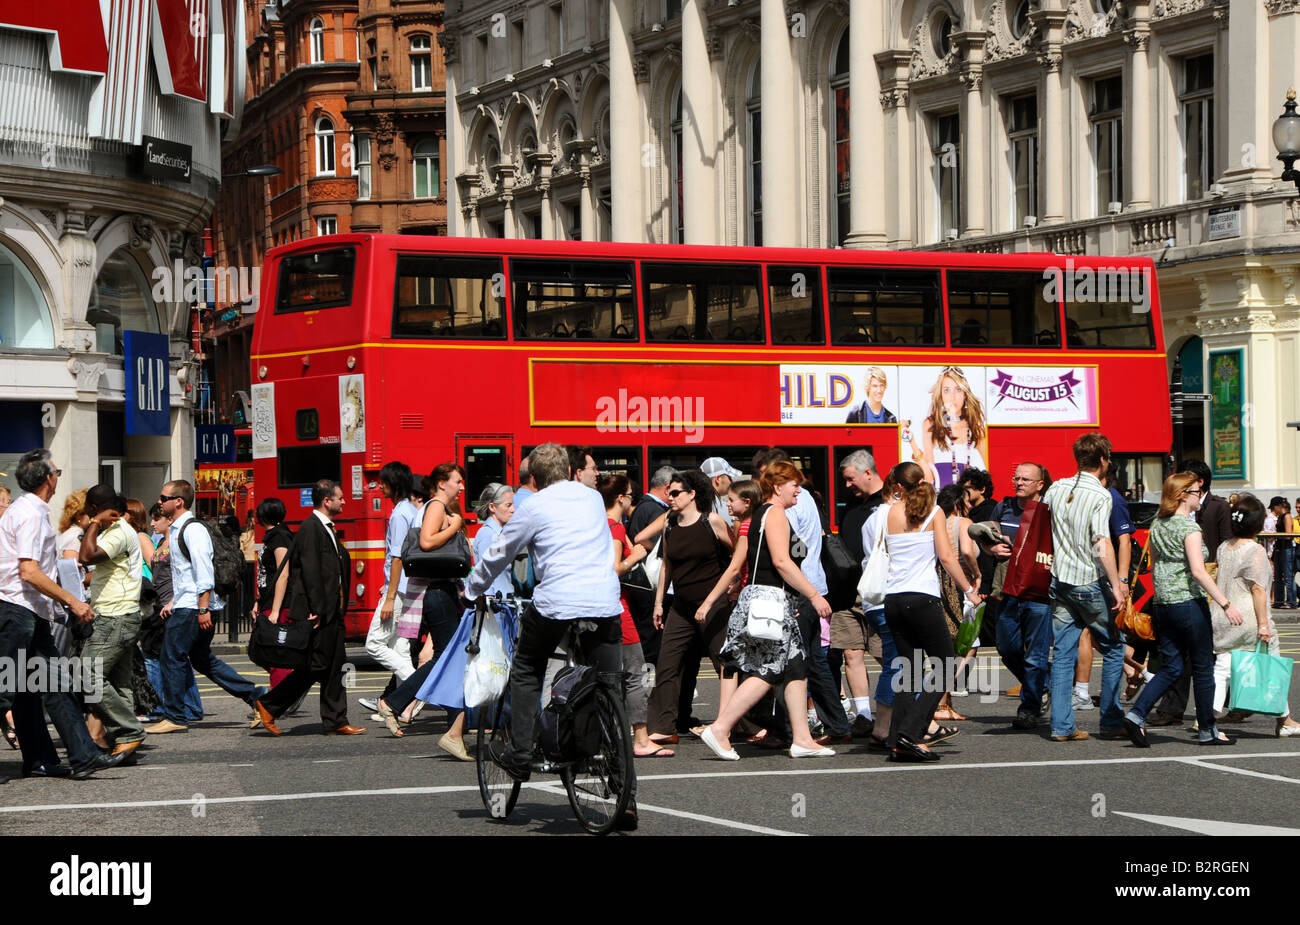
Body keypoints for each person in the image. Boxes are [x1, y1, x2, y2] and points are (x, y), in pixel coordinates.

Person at [462, 443, 638, 827]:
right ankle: (625, 799)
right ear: (569, 469)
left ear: (536, 479)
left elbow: (499, 553)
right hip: (604, 603)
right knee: (610, 685)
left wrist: (472, 589)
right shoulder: (592, 499)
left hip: (557, 602)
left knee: (527, 666)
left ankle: (521, 754)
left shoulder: (534, 507)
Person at [0, 449, 126, 780]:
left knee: (48, 687)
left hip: (31, 611)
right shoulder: (27, 514)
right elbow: (28, 571)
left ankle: (77, 757)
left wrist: (56, 608)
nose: (58, 477)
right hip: (15, 611)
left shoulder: (33, 511)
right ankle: (69, 756)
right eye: (57, 471)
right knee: (6, 691)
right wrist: (73, 601)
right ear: (47, 479)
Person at [700, 461, 835, 760]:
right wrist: (813, 595)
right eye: (793, 484)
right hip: (771, 599)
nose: (798, 489)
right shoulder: (775, 514)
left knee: (796, 666)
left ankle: (802, 738)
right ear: (777, 487)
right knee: (767, 670)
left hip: (766, 599)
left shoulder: (761, 514)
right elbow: (782, 562)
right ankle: (720, 728)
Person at [1122, 472, 1241, 747]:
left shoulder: (1159, 524)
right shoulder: (1189, 529)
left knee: (1172, 666)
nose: (1201, 496)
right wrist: (1225, 603)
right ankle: (1208, 730)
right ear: (1184, 495)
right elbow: (1199, 572)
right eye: (1198, 491)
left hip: (1163, 605)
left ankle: (1137, 714)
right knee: (1202, 668)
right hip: (1189, 603)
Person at [879, 462, 980, 762]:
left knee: (909, 670)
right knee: (946, 663)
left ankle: (897, 739)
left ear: (897, 485)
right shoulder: (934, 512)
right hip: (922, 597)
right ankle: (911, 733)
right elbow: (947, 558)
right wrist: (969, 591)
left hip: (893, 599)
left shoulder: (889, 513)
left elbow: (887, 549)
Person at [149, 480, 266, 734]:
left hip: (193, 608)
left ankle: (175, 716)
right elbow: (185, 575)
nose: (159, 502)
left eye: (163, 497)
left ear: (178, 501)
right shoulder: (179, 529)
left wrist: (203, 609)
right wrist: (174, 601)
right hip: (188, 604)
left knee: (171, 656)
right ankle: (257, 697)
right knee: (202, 660)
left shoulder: (192, 530)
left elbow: (203, 572)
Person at [752, 448, 851, 743]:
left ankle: (787, 728)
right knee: (804, 660)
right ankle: (829, 725)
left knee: (796, 661)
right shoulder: (800, 499)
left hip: (799, 588)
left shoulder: (786, 505)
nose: (763, 480)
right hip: (807, 586)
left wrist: (809, 594)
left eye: (767, 474)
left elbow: (784, 554)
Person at [253, 479, 361, 736]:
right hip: (319, 612)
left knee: (336, 666)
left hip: (333, 610)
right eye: (340, 497)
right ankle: (269, 705)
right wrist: (317, 609)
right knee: (316, 665)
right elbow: (310, 571)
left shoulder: (326, 528)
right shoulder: (311, 528)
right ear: (327, 501)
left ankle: (336, 720)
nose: (344, 501)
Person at [1041, 433, 1126, 743]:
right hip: (1088, 581)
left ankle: (1061, 726)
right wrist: (1117, 584)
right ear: (1103, 461)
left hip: (1059, 580)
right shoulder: (1102, 496)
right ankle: (1112, 720)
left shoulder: (1056, 488)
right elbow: (1102, 543)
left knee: (1063, 652)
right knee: (1115, 647)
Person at [645, 470, 734, 742]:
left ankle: (742, 723)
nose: (669, 497)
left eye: (675, 493)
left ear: (692, 494)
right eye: (668, 493)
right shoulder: (669, 523)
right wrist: (659, 602)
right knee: (668, 663)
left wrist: (735, 583)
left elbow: (737, 554)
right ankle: (664, 727)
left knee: (726, 662)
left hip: (713, 604)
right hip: (682, 605)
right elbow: (667, 566)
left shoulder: (713, 522)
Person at [1148, 460, 1236, 726]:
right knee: (1180, 654)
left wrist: (1224, 594)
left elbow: (1226, 546)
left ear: (1200, 482)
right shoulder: (1172, 514)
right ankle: (1173, 708)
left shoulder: (1218, 506)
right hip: (1182, 590)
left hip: (1211, 578)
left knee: (1215, 650)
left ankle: (1220, 707)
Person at [1209, 495, 1300, 736]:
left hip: (1223, 614)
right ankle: (1284, 721)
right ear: (1258, 524)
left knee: (1223, 666)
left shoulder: (1224, 546)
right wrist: (1263, 625)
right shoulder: (1255, 550)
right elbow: (1258, 589)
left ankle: (1209, 715)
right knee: (1270, 665)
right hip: (1248, 617)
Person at [599, 474, 670, 758]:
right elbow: (614, 569)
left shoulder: (598, 526)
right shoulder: (615, 529)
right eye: (630, 495)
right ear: (620, 498)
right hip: (619, 609)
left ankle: (608, 731)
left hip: (601, 608)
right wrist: (635, 556)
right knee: (637, 672)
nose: (632, 500)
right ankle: (640, 737)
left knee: (607, 673)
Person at [77, 484, 147, 760]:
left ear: (97, 510)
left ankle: (129, 731)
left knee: (86, 674)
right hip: (123, 615)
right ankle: (124, 741)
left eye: (90, 510)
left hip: (115, 617)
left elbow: (86, 555)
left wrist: (94, 523)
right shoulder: (119, 531)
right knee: (120, 684)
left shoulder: (118, 532)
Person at [989, 462, 1054, 729]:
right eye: (1016, 478)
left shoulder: (1049, 511)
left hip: (1038, 592)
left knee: (1036, 655)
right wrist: (991, 549)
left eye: (1026, 479)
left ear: (1040, 485)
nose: (1019, 483)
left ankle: (1029, 709)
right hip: (1007, 589)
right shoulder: (1003, 507)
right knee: (1007, 647)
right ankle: (1043, 683)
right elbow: (986, 537)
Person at [360, 463, 422, 712]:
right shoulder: (411, 510)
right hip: (410, 589)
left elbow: (397, 557)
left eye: (383, 482)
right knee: (400, 648)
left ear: (394, 485)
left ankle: (418, 688)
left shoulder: (398, 515)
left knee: (374, 643)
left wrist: (389, 595)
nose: (379, 485)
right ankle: (403, 706)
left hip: (399, 592)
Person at [833, 450, 886, 735]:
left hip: (878, 590)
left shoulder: (889, 502)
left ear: (868, 472)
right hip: (847, 590)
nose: (848, 485)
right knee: (851, 652)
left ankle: (911, 705)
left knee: (885, 653)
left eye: (851, 479)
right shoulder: (852, 507)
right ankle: (864, 715)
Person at [138, 503, 204, 726]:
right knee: (175, 658)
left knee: (168, 657)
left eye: (157, 519)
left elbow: (185, 576)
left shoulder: (176, 541)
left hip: (173, 606)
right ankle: (191, 707)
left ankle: (165, 708)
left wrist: (176, 602)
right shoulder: (162, 543)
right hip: (163, 605)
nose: (153, 523)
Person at [624, 466, 679, 666]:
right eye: (674, 491)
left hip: (643, 582)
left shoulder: (644, 506)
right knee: (652, 635)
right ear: (667, 489)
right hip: (649, 584)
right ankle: (649, 678)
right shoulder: (655, 510)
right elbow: (659, 546)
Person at [933, 483, 980, 718]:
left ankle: (944, 703)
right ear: (958, 503)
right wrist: (977, 575)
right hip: (960, 585)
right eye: (967, 501)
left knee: (946, 644)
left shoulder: (937, 522)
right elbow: (968, 551)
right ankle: (940, 695)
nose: (970, 505)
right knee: (969, 642)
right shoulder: (963, 523)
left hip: (937, 582)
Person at [919, 367, 988, 489]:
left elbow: (985, 472)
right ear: (940, 395)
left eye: (958, 390)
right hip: (941, 495)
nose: (952, 397)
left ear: (965, 394)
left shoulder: (975, 427)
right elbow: (929, 474)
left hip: (968, 496)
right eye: (946, 390)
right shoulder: (931, 424)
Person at [253, 497, 296, 691]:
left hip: (280, 603)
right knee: (257, 649)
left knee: (274, 652)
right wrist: (258, 601)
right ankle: (288, 689)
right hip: (267, 601)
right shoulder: (272, 536)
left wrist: (276, 611)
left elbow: (283, 573)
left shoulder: (280, 537)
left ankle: (279, 696)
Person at [1269, 496, 1296, 609]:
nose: (1273, 510)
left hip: (1286, 549)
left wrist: (1276, 536)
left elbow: (1289, 535)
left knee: (1288, 576)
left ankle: (1291, 601)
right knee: (1278, 575)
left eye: (1274, 507)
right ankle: (1279, 600)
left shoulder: (1287, 516)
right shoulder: (1280, 517)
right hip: (1279, 549)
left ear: (1279, 506)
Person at [700, 457, 743, 525]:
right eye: (729, 477)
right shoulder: (727, 508)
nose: (731, 482)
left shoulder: (694, 502)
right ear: (718, 479)